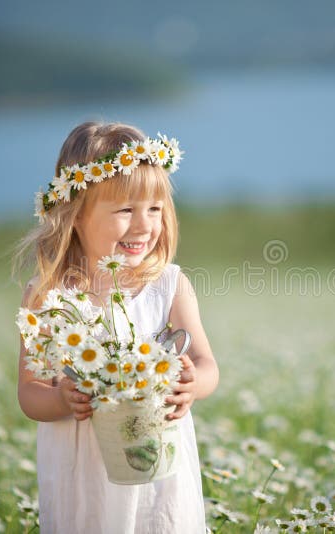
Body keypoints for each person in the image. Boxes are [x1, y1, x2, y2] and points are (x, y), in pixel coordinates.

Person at [11, 121, 218, 533]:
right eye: (125, 210)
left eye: (155, 209)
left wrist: (193, 384)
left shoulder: (168, 285)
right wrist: (62, 401)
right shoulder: (48, 296)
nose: (144, 225)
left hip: (157, 469)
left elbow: (205, 362)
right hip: (83, 473)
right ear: (76, 213)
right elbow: (29, 392)